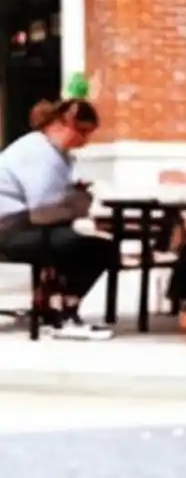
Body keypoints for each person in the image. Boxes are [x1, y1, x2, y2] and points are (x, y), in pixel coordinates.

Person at [0, 98, 113, 339]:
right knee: (85, 245)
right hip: (9, 228)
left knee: (92, 244)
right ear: (62, 124)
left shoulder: (59, 155)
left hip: (25, 225)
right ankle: (62, 313)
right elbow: (42, 210)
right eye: (81, 132)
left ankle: (58, 307)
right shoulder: (36, 150)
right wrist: (78, 202)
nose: (84, 141)